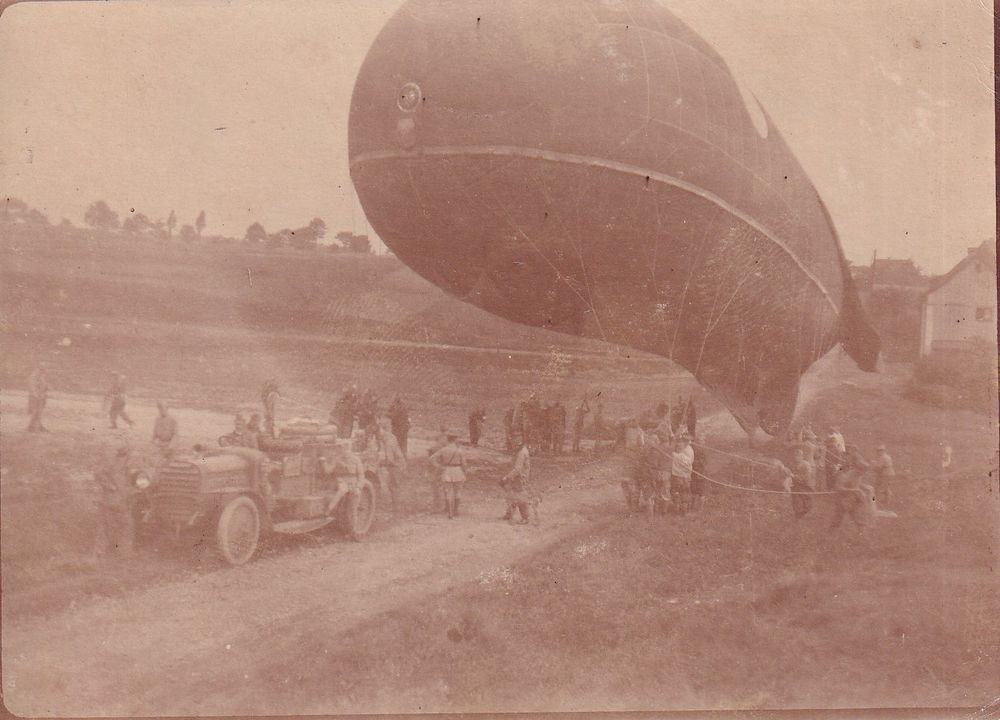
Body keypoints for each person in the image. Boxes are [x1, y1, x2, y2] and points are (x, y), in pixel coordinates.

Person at [93, 444, 136, 558]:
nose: (126, 458)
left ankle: (123, 552)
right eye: (126, 455)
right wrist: (111, 487)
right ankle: (102, 551)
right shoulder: (113, 465)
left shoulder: (126, 467)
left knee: (124, 525)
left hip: (121, 501)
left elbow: (128, 484)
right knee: (109, 525)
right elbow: (98, 474)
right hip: (111, 501)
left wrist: (130, 493)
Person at [830, 448, 875, 532]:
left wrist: (865, 487)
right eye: (861, 471)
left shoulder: (858, 475)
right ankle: (831, 532)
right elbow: (839, 487)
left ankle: (861, 531)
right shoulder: (847, 474)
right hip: (843, 499)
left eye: (864, 472)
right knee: (839, 516)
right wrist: (853, 490)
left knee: (857, 515)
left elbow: (856, 484)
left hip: (852, 499)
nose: (862, 473)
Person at [429, 432, 467, 519]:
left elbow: (431, 458)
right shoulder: (459, 450)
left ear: (448, 440)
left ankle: (449, 512)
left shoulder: (443, 450)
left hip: (446, 470)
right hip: (457, 471)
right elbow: (464, 464)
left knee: (448, 491)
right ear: (455, 440)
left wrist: (439, 466)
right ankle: (455, 511)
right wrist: (465, 472)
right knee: (458, 492)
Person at [375, 421, 407, 510]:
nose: (376, 437)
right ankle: (395, 505)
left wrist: (378, 464)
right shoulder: (388, 436)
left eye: (376, 435)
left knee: (394, 485)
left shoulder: (388, 441)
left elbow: (390, 459)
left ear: (379, 432)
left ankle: (396, 507)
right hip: (395, 464)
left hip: (397, 465)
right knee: (392, 485)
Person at [500, 440, 533, 523]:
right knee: (512, 495)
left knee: (520, 498)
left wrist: (506, 478)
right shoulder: (521, 451)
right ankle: (509, 514)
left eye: (517, 441)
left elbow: (517, 469)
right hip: (517, 478)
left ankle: (525, 518)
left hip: (520, 478)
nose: (514, 443)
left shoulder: (522, 453)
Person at [670, 433, 694, 515]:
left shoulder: (675, 455)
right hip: (686, 477)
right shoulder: (690, 451)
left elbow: (671, 451)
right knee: (684, 494)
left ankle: (677, 512)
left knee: (677, 493)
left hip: (677, 477)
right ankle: (683, 512)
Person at [789, 446, 816, 518]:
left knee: (806, 500)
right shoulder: (792, 464)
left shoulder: (806, 465)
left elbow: (808, 476)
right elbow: (790, 473)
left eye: (798, 456)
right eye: (795, 456)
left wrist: (797, 477)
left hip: (806, 485)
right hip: (796, 485)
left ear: (802, 457)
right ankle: (797, 514)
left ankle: (806, 511)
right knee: (795, 500)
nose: (796, 458)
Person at [27, 363, 49, 432]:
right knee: (35, 411)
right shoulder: (34, 375)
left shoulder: (42, 376)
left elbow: (44, 385)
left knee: (39, 412)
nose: (45, 369)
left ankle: (38, 425)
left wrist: (46, 389)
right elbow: (32, 386)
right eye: (44, 367)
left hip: (41, 396)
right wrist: (36, 395)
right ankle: (31, 426)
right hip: (35, 397)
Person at [872, 444, 895, 508]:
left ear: (882, 451)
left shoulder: (882, 457)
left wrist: (874, 464)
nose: (878, 452)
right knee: (886, 487)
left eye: (879, 451)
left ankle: (877, 501)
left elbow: (879, 467)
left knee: (881, 488)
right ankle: (887, 501)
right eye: (878, 451)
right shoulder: (887, 456)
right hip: (889, 474)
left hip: (885, 474)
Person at [689, 438, 707, 511]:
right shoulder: (701, 451)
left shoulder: (695, 450)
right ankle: (697, 508)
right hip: (697, 474)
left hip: (698, 474)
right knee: (698, 492)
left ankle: (698, 508)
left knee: (698, 492)